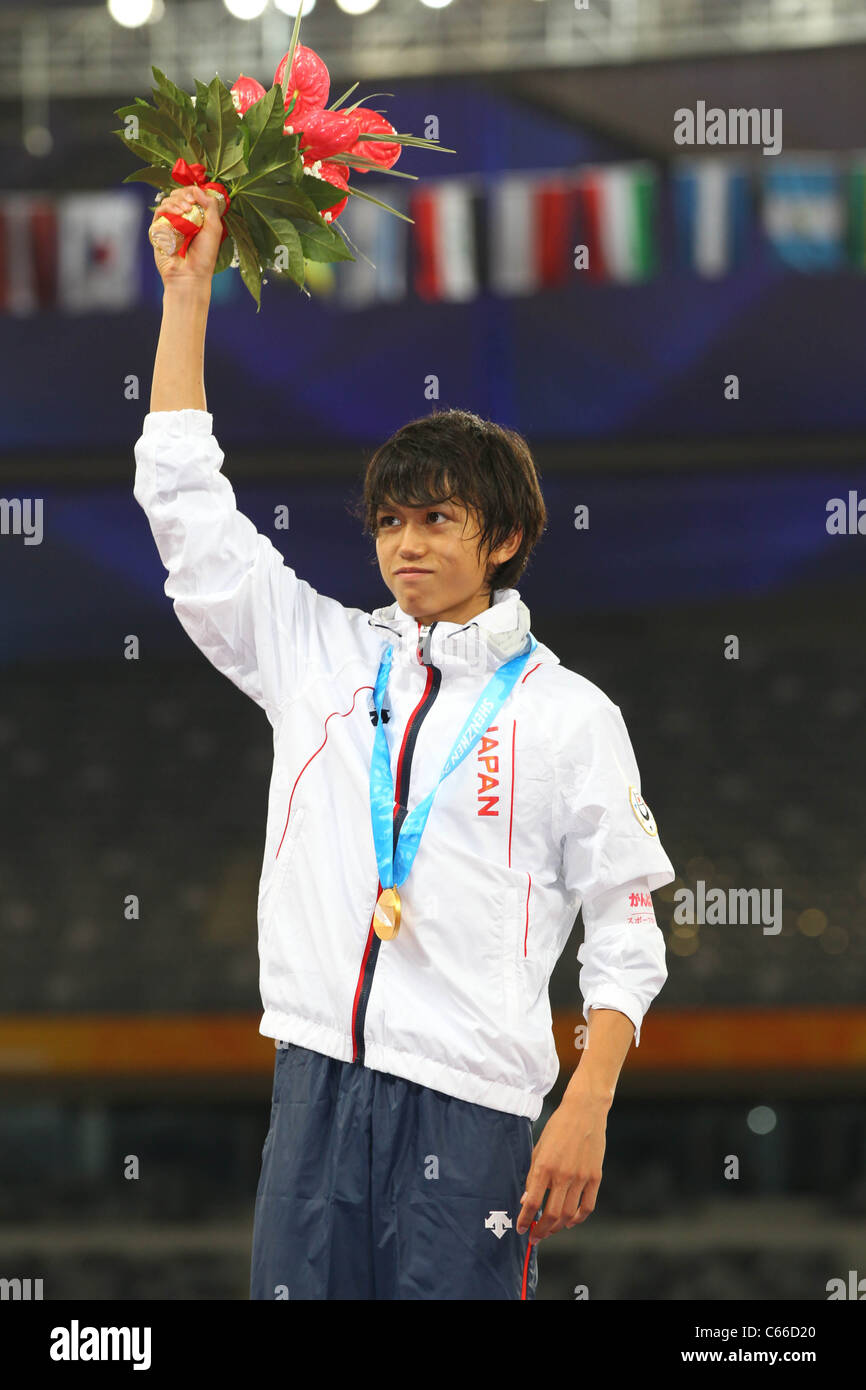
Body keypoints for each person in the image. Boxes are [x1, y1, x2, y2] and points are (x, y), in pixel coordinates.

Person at [134, 183, 676, 1300]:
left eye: (436, 518)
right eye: (388, 520)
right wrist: (187, 291)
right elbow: (188, 511)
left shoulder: (566, 715)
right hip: (312, 1083)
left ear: (508, 536)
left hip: (473, 1106)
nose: (404, 544)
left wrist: (585, 1102)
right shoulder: (318, 657)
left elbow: (625, 928)